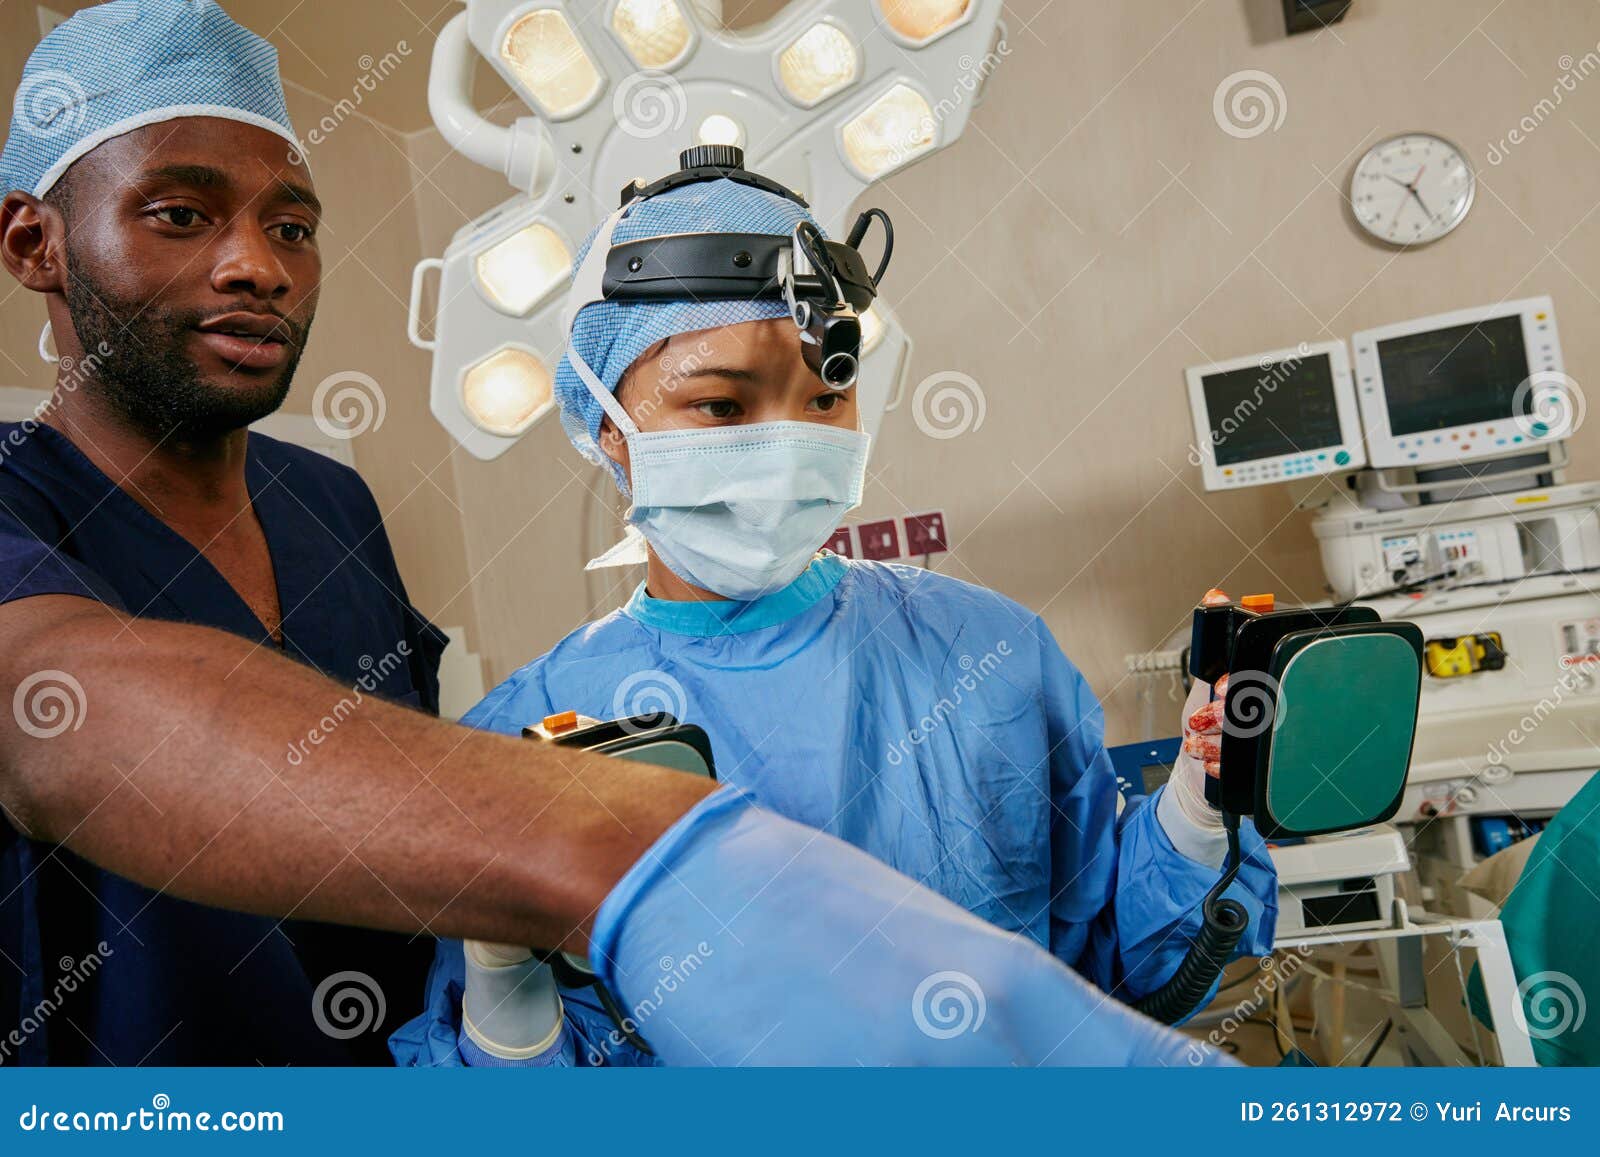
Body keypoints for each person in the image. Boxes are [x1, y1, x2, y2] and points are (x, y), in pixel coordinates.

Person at [0, 1, 1225, 1069]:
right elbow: (66, 710)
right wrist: (594, 846)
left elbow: (1116, 943)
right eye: (177, 214)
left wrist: (1194, 820)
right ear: (34, 243)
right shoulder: (22, 500)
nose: (256, 265)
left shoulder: (328, 504)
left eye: (294, 225)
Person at [396, 156, 1279, 1066]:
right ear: (609, 425)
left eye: (826, 396)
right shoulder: (522, 741)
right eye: (721, 405)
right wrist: (504, 978)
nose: (786, 447)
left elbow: (1113, 970)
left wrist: (1196, 809)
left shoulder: (991, 652)